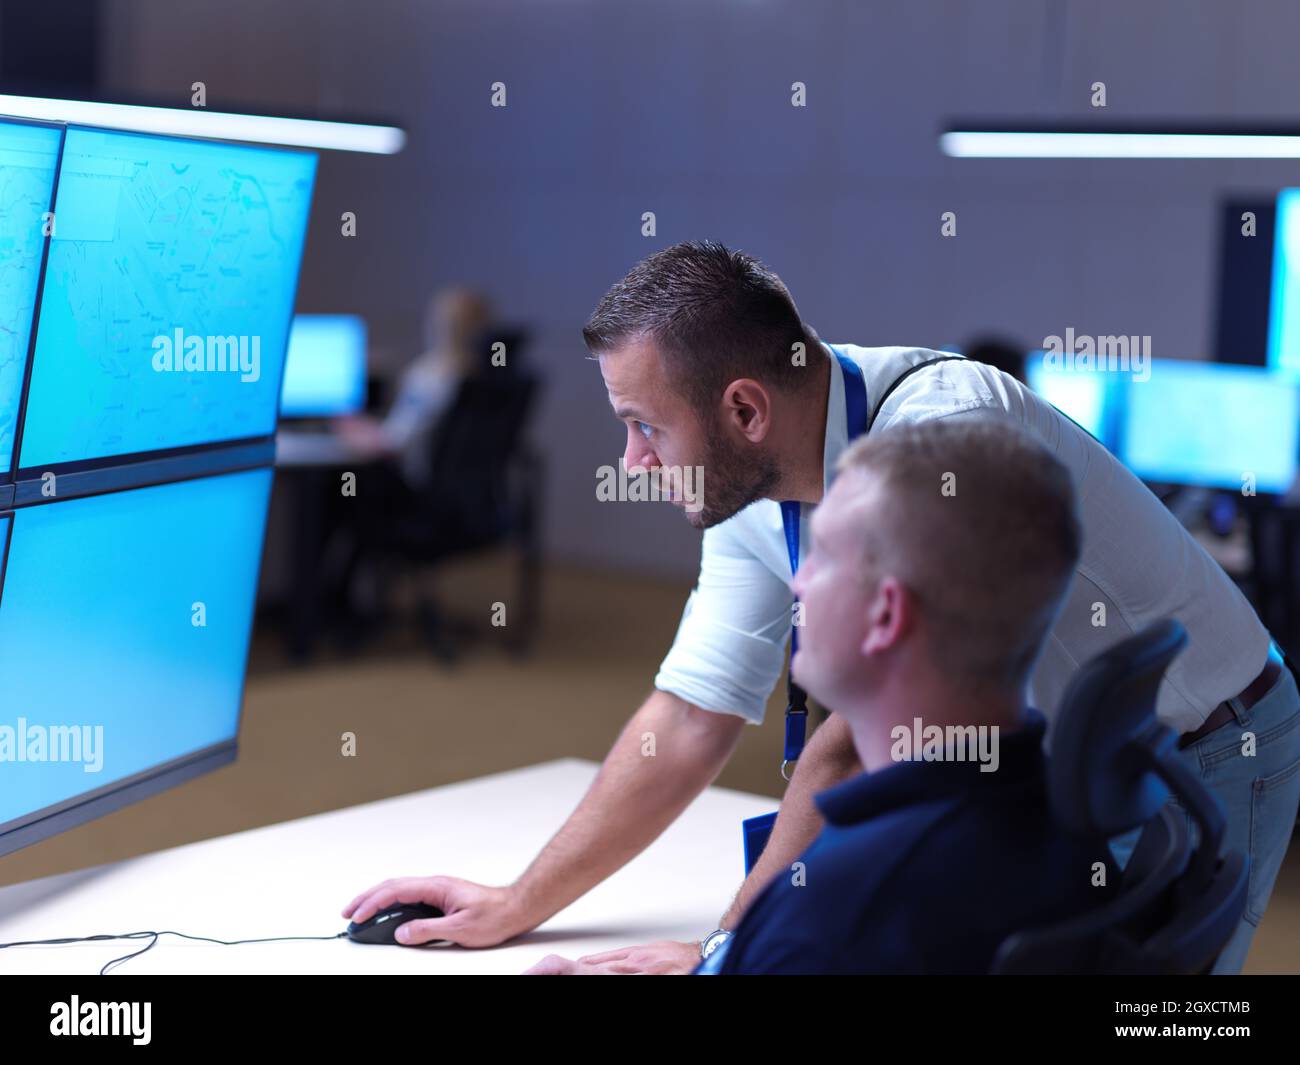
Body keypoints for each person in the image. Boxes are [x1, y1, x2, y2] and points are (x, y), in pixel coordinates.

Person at [342, 241, 1299, 976]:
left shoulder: (944, 435)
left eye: (644, 428)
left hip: (1214, 742)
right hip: (1059, 760)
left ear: (744, 411)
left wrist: (727, 955)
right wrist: (518, 902)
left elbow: (865, 725)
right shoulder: (752, 489)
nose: (631, 463)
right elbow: (688, 715)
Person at [697, 417, 1115, 973]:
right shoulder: (1079, 834)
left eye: (820, 557)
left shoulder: (830, 922)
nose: (798, 583)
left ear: (887, 615)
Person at [336, 286, 493, 490]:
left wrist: (355, 431)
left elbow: (394, 444)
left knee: (337, 486)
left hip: (414, 490)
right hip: (469, 496)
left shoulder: (430, 376)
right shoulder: (490, 379)